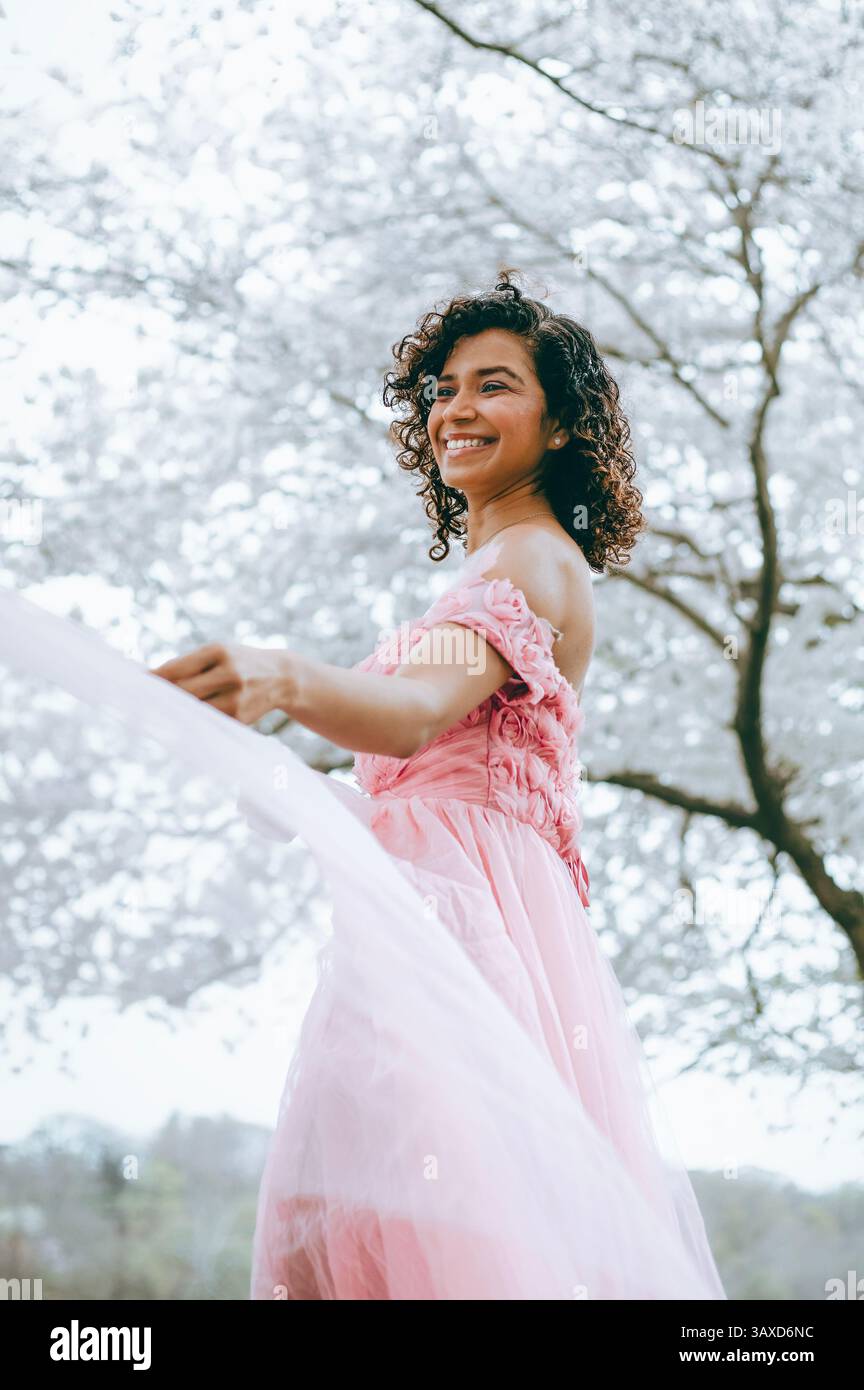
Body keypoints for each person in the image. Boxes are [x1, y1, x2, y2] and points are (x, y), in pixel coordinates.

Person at [145, 271, 727, 1300]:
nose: (456, 409)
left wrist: (279, 676)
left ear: (558, 426)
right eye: (443, 389)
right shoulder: (500, 564)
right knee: (330, 1247)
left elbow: (415, 712)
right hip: (406, 930)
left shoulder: (536, 563)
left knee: (426, 1245)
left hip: (465, 939)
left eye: (493, 386)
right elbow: (418, 752)